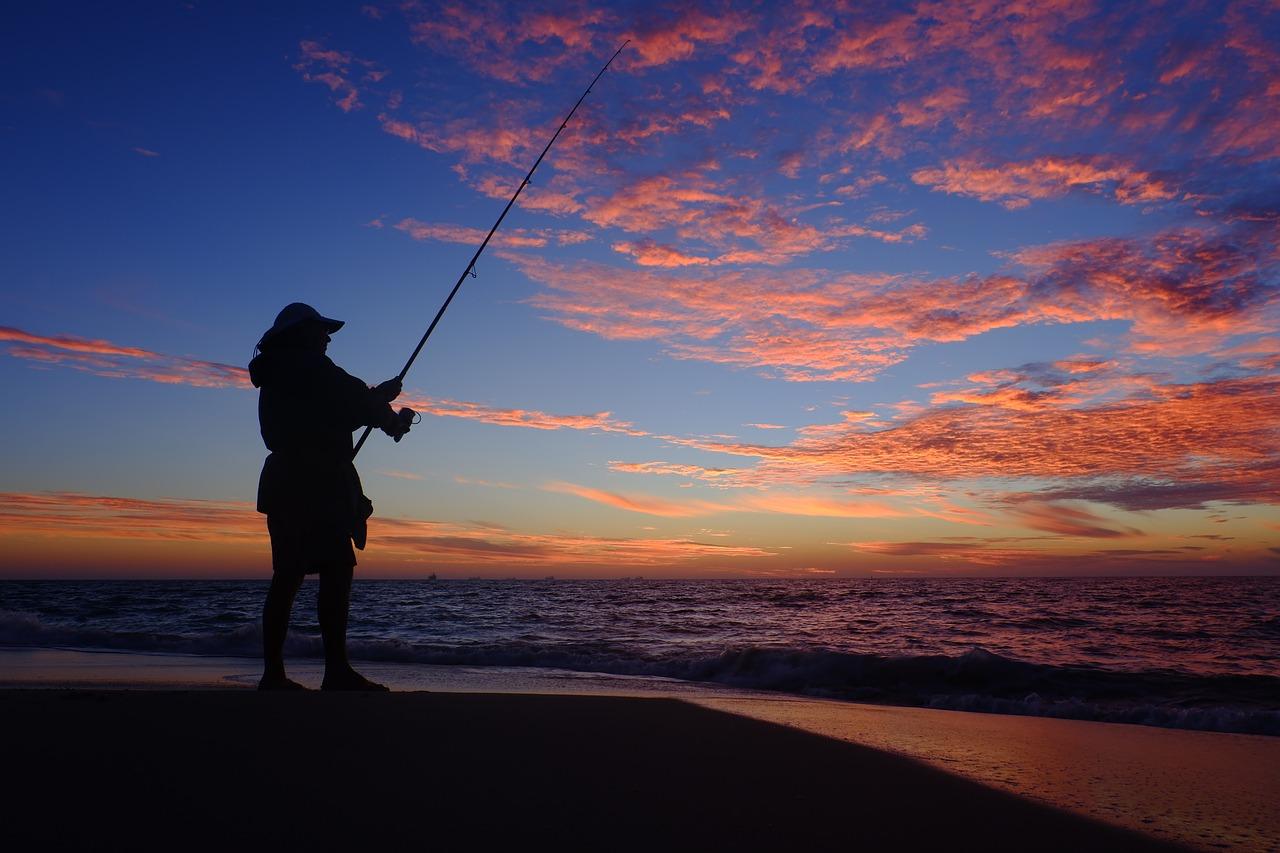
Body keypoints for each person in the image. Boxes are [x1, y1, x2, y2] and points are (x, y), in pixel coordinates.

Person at [248, 302, 413, 691]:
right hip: (316, 483)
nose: (327, 338)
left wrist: (378, 406)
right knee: (337, 571)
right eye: (321, 331)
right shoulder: (310, 367)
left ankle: (273, 675)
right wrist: (388, 412)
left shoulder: (276, 372)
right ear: (302, 332)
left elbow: (337, 410)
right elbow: (354, 402)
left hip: (284, 482)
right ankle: (336, 671)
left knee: (286, 577)